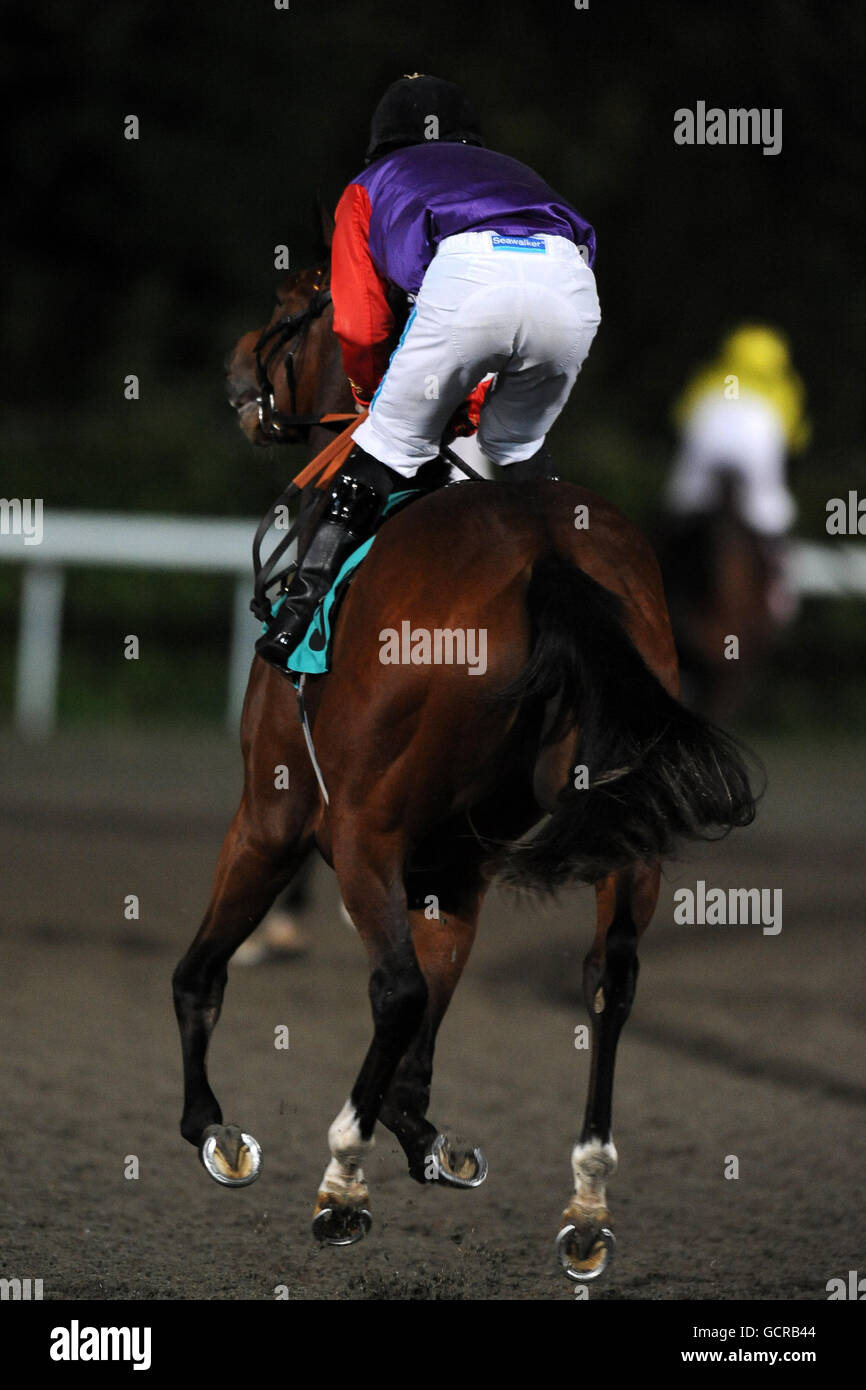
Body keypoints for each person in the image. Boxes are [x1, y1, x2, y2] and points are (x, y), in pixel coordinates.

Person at [256, 73, 601, 671]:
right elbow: (535, 296)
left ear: (382, 145)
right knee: (518, 454)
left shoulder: (366, 187)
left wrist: (376, 407)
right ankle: (577, 598)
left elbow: (361, 327)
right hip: (570, 283)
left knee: (385, 448)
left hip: (470, 282)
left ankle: (296, 616)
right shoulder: (513, 172)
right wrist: (473, 409)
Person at [663, 324, 809, 621]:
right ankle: (779, 599)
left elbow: (680, 417)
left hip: (709, 418)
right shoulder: (785, 387)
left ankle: (655, 578)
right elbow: (795, 438)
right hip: (760, 429)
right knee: (770, 513)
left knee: (681, 505)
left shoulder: (709, 377)